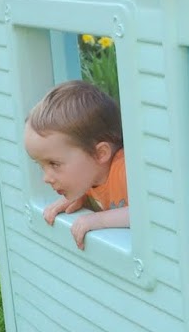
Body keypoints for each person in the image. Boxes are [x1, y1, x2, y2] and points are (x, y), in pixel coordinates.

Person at [22, 80, 129, 249]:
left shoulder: (126, 171)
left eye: (54, 164)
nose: (46, 178)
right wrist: (80, 197)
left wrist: (99, 220)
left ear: (100, 154)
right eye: (41, 165)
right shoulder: (90, 176)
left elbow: (150, 213)